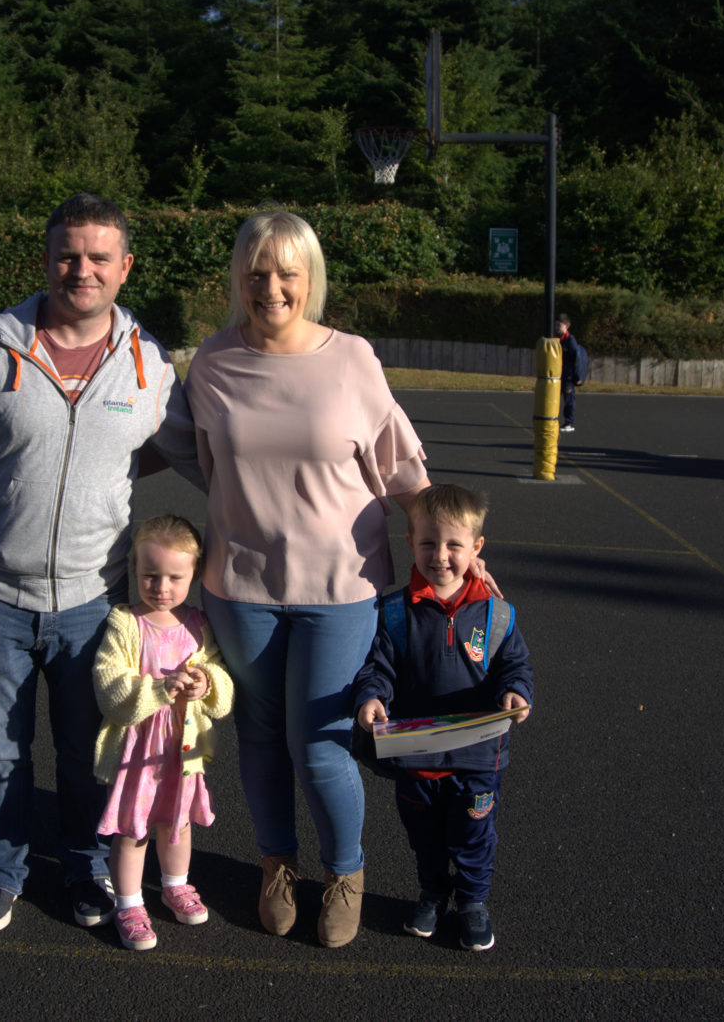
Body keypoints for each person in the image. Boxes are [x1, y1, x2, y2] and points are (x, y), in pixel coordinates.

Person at [0, 194, 201, 936]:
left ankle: (84, 866)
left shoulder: (146, 361)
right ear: (45, 261)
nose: (83, 270)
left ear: (125, 266)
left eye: (100, 257)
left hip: (95, 599)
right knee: (1, 753)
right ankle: (0, 873)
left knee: (86, 751)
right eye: (68, 255)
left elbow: (185, 445)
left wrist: (108, 476)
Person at [183, 210, 433, 949]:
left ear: (310, 279)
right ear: (238, 279)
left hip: (341, 588)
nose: (271, 287)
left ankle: (345, 871)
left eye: (287, 271)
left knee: (320, 743)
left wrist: (452, 544)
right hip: (240, 586)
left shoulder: (352, 359)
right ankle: (276, 865)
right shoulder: (212, 362)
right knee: (259, 736)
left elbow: (400, 465)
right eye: (257, 272)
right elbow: (193, 456)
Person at [353, 484, 534, 952]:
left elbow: (515, 665)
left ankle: (473, 903)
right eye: (428, 543)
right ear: (409, 542)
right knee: (426, 839)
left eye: (454, 545)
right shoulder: (393, 612)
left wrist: (517, 691)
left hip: (477, 759)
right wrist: (371, 696)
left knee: (473, 838)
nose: (440, 556)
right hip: (416, 759)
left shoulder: (496, 614)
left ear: (476, 549)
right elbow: (378, 668)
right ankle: (432, 893)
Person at [92, 515, 234, 951]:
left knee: (178, 823)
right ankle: (130, 904)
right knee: (134, 828)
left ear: (194, 574)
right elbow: (109, 684)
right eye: (150, 575)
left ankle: (175, 884)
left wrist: (205, 683)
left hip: (182, 748)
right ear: (135, 571)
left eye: (175, 577)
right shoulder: (125, 623)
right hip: (138, 750)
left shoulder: (197, 623)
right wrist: (158, 687)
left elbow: (221, 682)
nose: (161, 587)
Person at [557, 313, 587, 433]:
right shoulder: (557, 339)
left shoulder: (570, 340)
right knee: (553, 397)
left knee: (569, 399)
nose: (557, 327)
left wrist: (577, 375)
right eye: (555, 325)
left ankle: (569, 422)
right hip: (560, 374)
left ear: (566, 326)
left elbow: (577, 358)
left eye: (559, 325)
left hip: (568, 376)